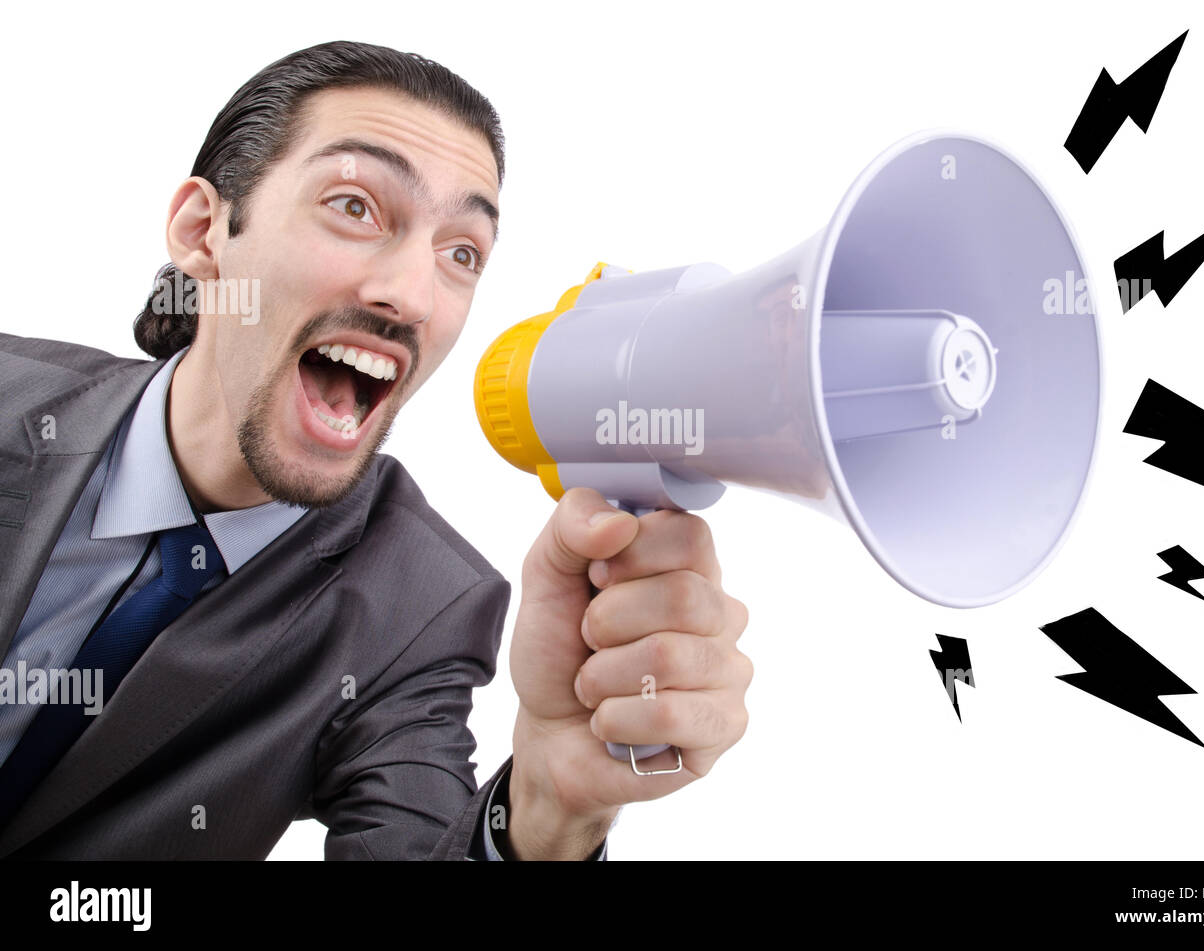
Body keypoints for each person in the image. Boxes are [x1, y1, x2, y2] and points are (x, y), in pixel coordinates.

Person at [0, 40, 751, 860]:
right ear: (203, 231)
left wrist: (547, 811)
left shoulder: (419, 609)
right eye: (355, 206)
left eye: (461, 253)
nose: (411, 296)